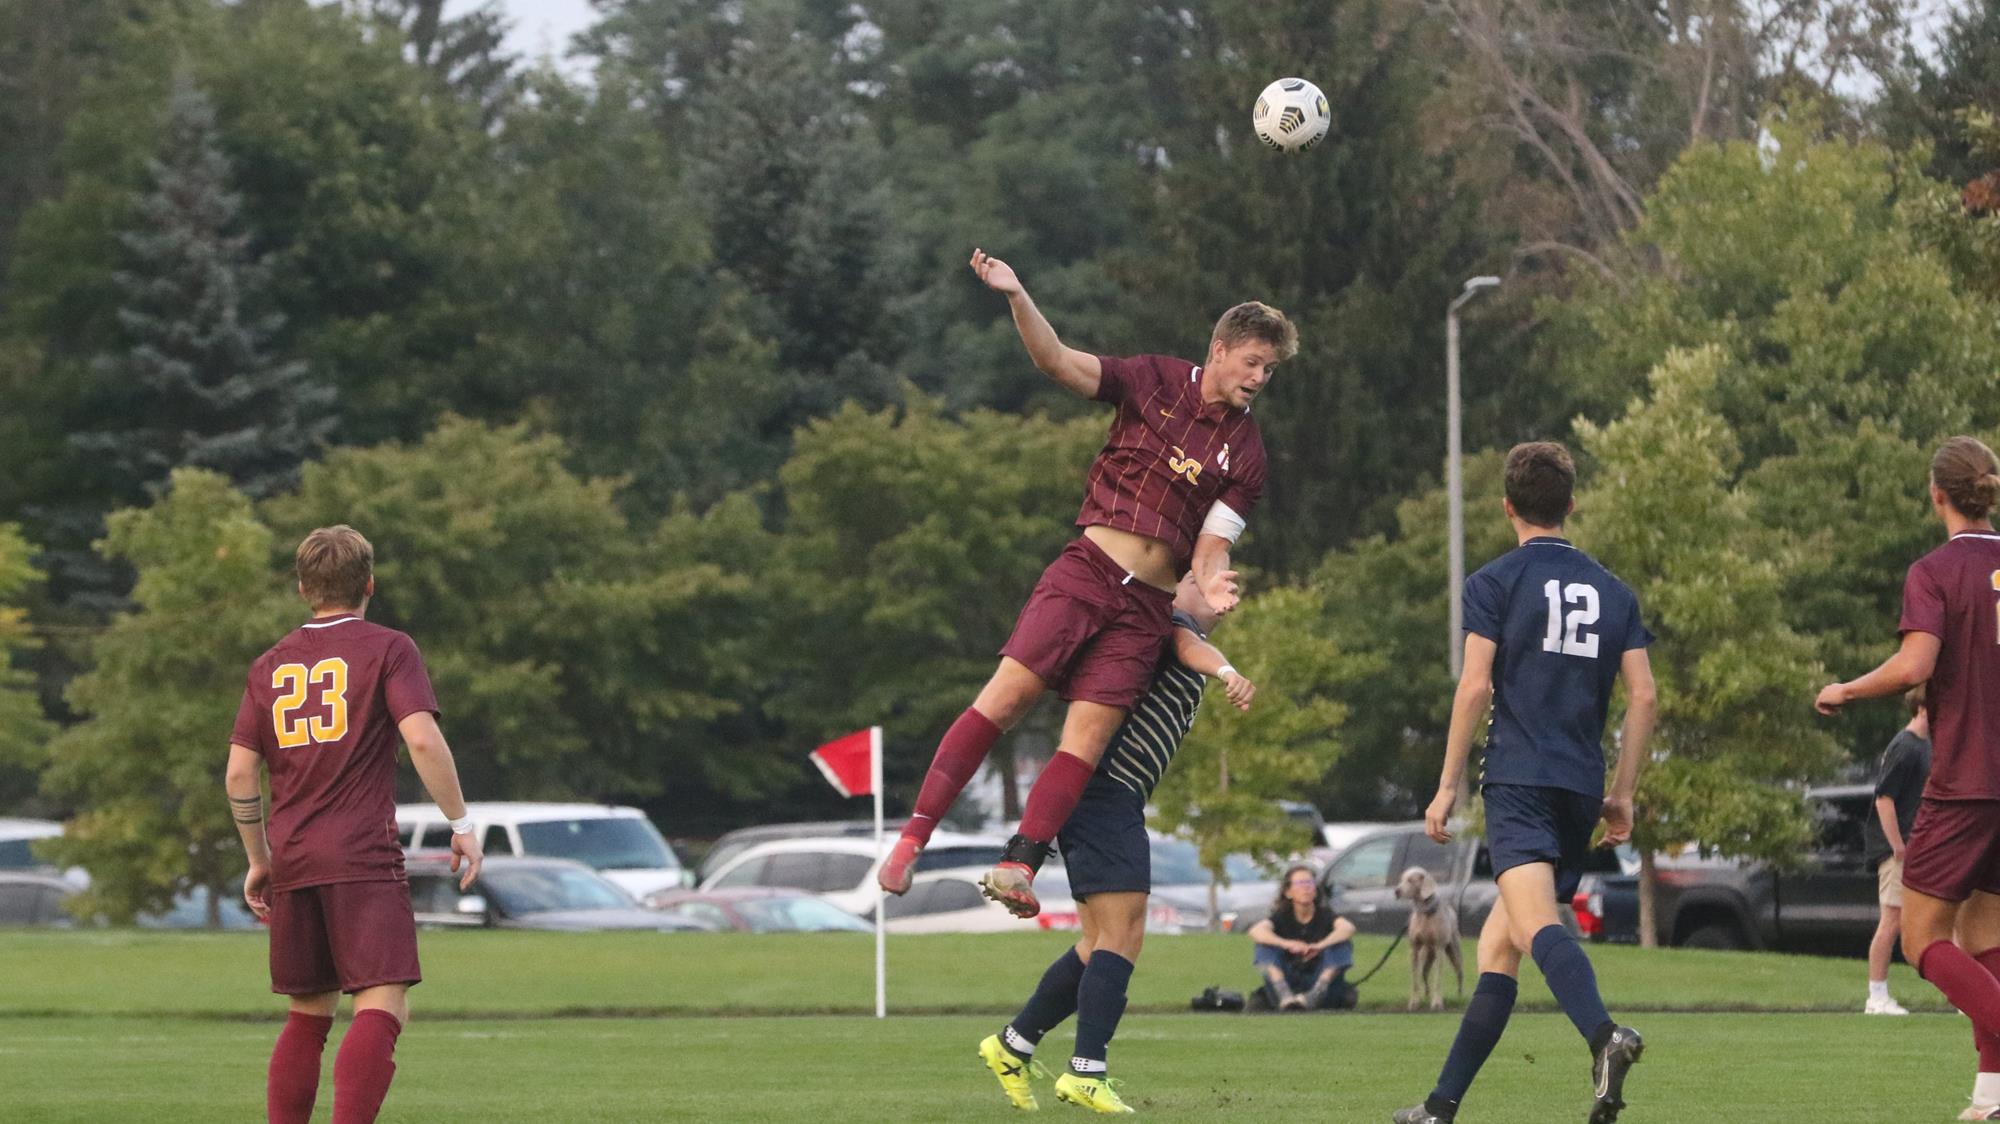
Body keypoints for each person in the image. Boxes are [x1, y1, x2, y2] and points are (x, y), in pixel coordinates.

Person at [880, 247, 1291, 922]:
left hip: (1146, 609)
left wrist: (1213, 586)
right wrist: (1018, 295)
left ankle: (1020, 864)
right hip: (1087, 572)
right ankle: (912, 839)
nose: (1259, 377)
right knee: (1006, 699)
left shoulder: (1245, 452)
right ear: (1220, 350)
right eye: (1252, 362)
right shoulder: (1153, 379)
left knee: (1087, 741)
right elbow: (1058, 362)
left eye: (1269, 369)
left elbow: (1215, 543)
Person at [1394, 442, 1657, 1124]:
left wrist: (1446, 785)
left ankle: (1605, 1036)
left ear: (1507, 506)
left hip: (1518, 782)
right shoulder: (1614, 592)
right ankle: (1440, 1106)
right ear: (1571, 504)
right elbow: (1645, 698)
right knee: (1498, 946)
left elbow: (1475, 684)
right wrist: (1622, 792)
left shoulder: (1494, 582)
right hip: (1579, 787)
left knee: (1537, 923)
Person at [225, 526, 482, 1124]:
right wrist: (461, 822)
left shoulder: (269, 665)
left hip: (291, 855)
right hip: (361, 854)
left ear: (302, 589)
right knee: (383, 1001)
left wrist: (260, 859)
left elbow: (240, 776)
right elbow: (420, 736)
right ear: (369, 584)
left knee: (308, 1013)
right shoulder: (390, 648)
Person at [977, 571, 1255, 1115]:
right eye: (1217, 580)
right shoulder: (1167, 625)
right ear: (1181, 585)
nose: (1230, 593)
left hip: (1101, 797)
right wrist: (1225, 670)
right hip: (1105, 793)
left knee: (1098, 941)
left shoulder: (1164, 633)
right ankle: (1087, 1072)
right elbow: (1188, 644)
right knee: (1125, 934)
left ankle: (1013, 1044)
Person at [1815, 436, 2000, 1122]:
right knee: (1986, 941)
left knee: (1922, 939)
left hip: (1966, 781)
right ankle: (1990, 1099)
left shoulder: (1936, 571)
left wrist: (1847, 688)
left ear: (1937, 496)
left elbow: (1915, 665)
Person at [1862, 688, 1931, 1016]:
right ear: (1923, 707)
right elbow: (1884, 798)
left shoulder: (1927, 746)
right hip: (1899, 850)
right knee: (1891, 920)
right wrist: (1897, 846)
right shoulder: (1905, 746)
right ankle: (1876, 996)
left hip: (1920, 847)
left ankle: (1963, 993)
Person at [1247, 863, 1357, 1010]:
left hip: (1320, 983)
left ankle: (1314, 995)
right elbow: (1256, 931)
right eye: (1299, 883)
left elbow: (1348, 928)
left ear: (1315, 890)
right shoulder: (1281, 917)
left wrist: (1319, 946)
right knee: (1264, 946)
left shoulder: (1325, 915)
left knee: (1341, 944)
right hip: (1289, 979)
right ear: (1288, 892)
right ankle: (1285, 996)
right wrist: (1287, 944)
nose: (1305, 887)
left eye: (1309, 883)